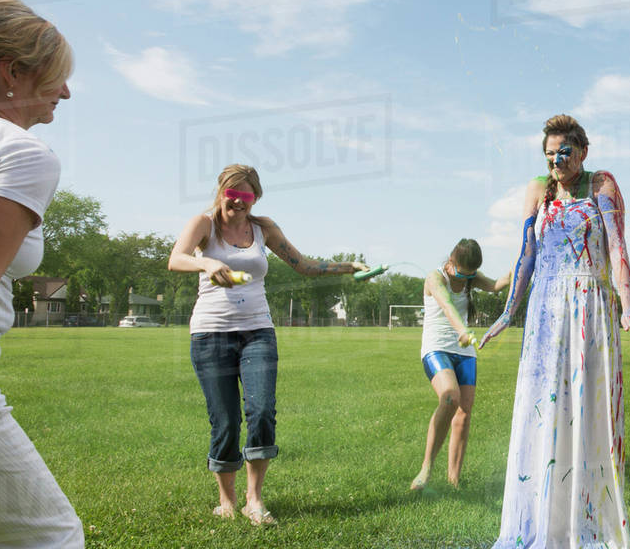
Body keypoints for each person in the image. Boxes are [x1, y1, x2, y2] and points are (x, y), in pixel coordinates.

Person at [0, 0, 102, 549]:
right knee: (53, 545)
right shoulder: (20, 152)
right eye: (56, 76)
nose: (67, 93)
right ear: (12, 73)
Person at [479, 114, 630, 549]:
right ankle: (545, 525)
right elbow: (526, 254)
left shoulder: (602, 184)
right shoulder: (539, 189)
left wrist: (629, 305)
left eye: (564, 152)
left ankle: (589, 524)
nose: (556, 161)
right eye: (550, 154)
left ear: (583, 152)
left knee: (588, 411)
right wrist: (508, 312)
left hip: (590, 307)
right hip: (545, 312)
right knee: (545, 411)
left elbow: (617, 247)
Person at [168, 164, 368, 525]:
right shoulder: (204, 225)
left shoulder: (263, 229)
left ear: (255, 197)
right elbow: (176, 258)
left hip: (257, 331)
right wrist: (207, 263)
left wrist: (347, 266)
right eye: (232, 193)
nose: (238, 201)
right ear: (221, 192)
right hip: (211, 333)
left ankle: (254, 499)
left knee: (261, 411)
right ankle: (226, 500)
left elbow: (303, 265)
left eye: (246, 195)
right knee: (225, 420)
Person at [411, 238, 510, 490]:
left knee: (464, 413)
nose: (466, 278)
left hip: (465, 352)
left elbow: (496, 285)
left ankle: (454, 480)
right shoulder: (435, 278)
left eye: (470, 275)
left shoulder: (471, 277)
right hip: (437, 347)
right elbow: (446, 305)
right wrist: (462, 330)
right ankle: (426, 467)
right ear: (451, 262)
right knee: (450, 398)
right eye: (462, 273)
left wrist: (519, 267)